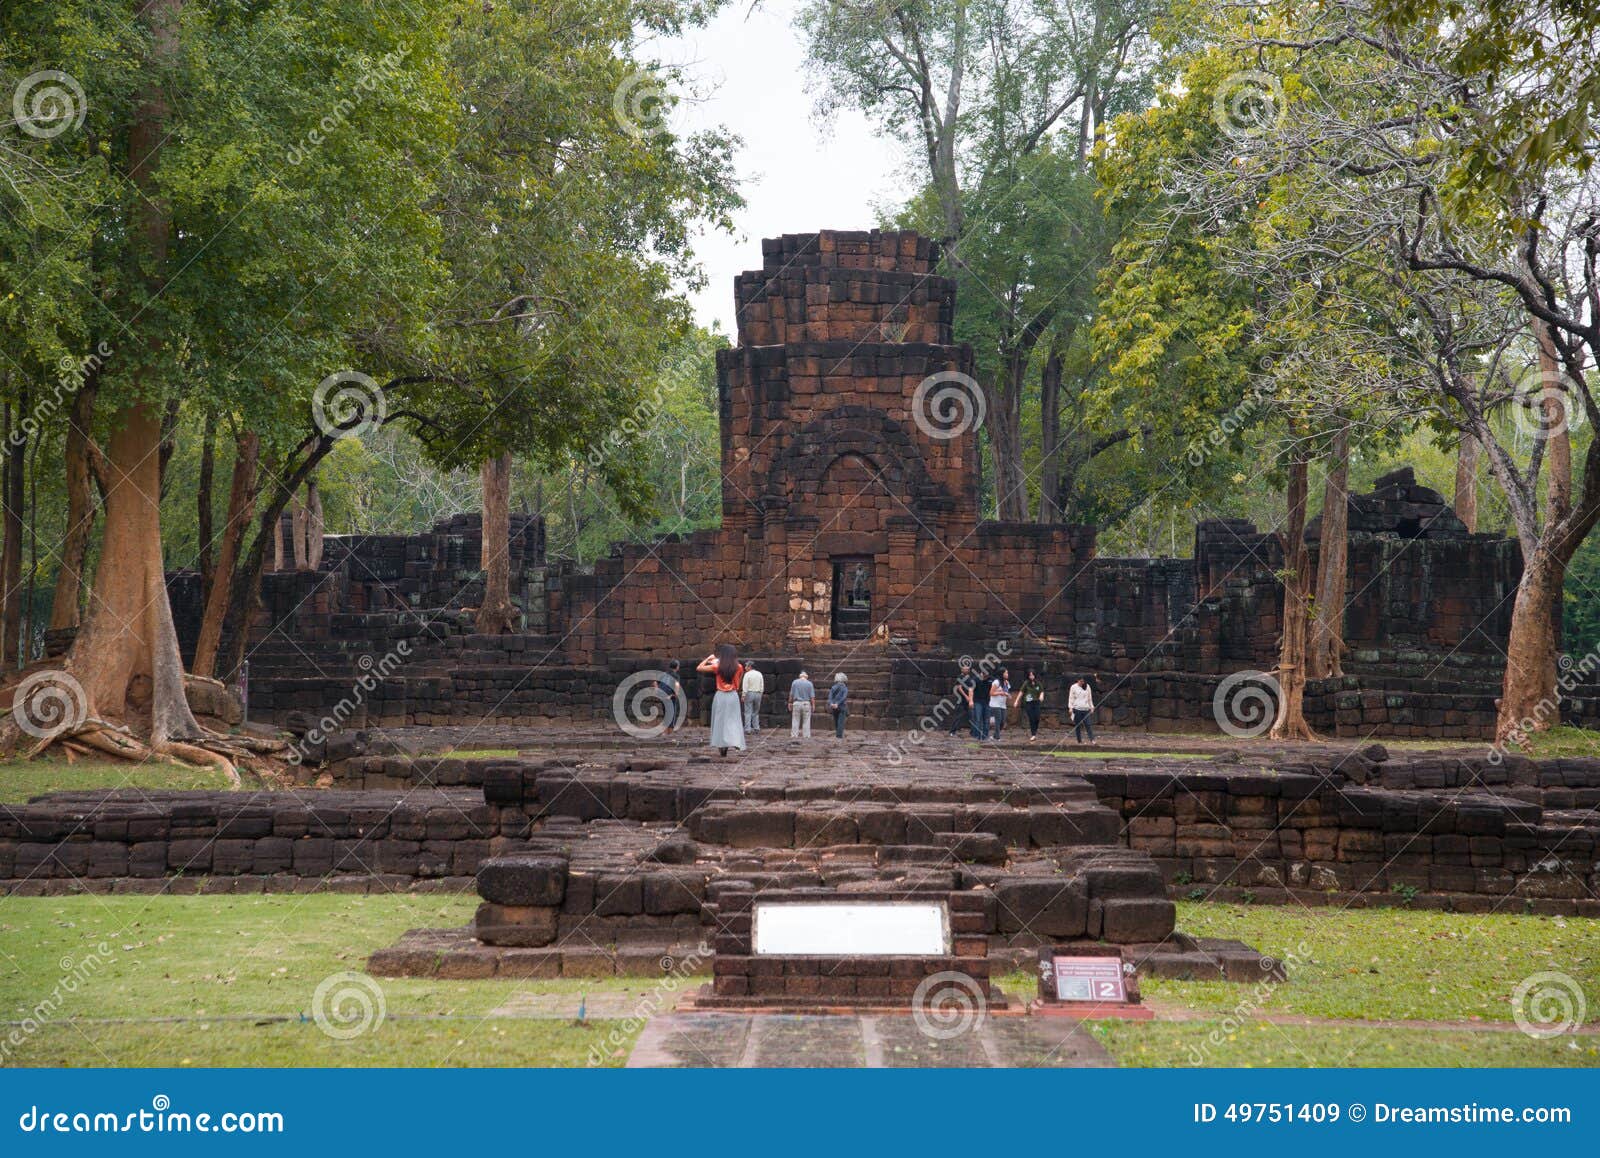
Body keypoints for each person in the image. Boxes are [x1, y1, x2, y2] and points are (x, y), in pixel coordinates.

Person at [696, 644, 746, 756]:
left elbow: (699, 667)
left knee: (719, 721)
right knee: (734, 720)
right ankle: (734, 741)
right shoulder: (739, 667)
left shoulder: (717, 667)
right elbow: (738, 683)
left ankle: (721, 745)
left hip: (720, 696)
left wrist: (709, 658)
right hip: (733, 696)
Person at [948, 657, 977, 736]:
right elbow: (959, 688)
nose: (966, 670)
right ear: (961, 670)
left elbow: (971, 689)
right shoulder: (960, 677)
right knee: (958, 717)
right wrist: (966, 696)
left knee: (972, 716)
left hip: (968, 701)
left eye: (967, 669)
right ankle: (952, 731)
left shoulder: (970, 679)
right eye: (964, 669)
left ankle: (973, 732)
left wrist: (971, 700)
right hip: (961, 700)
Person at [1014, 668, 1045, 742]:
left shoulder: (1038, 683)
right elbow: (1021, 692)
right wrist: (1016, 701)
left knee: (1037, 718)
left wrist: (1041, 696)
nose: (1031, 676)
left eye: (1032, 675)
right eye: (1030, 675)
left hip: (1036, 702)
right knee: (1031, 718)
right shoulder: (1026, 683)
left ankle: (1035, 732)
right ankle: (1033, 734)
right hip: (1028, 703)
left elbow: (1042, 691)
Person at [658, 660, 683, 734]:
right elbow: (677, 685)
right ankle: (669, 734)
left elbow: (655, 683)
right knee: (672, 715)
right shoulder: (675, 675)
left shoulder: (663, 674)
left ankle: (664, 733)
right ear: (677, 667)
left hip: (663, 696)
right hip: (670, 697)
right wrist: (675, 694)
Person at [986, 667, 1011, 741]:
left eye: (1007, 673)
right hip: (995, 704)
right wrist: (1000, 693)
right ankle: (997, 737)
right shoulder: (996, 682)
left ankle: (994, 736)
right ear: (1002, 674)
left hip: (1003, 704)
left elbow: (1007, 692)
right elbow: (991, 693)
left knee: (1002, 721)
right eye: (1006, 673)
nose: (1007, 674)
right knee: (998, 720)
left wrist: (1008, 695)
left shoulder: (1006, 682)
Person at [1069, 677, 1096, 744]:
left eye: (1083, 682)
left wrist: (1091, 706)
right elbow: (1071, 698)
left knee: (1088, 724)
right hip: (1077, 709)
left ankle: (1092, 739)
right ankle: (1079, 741)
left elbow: (1089, 698)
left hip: (1086, 709)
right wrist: (1070, 707)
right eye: (1080, 681)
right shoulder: (1073, 687)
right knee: (1078, 725)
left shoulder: (1087, 686)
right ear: (1078, 680)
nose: (1081, 683)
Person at [789, 670, 815, 738]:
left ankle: (794, 735)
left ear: (800, 676)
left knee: (795, 720)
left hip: (796, 703)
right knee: (806, 721)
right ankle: (806, 736)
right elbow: (812, 696)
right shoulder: (809, 683)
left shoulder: (794, 682)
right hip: (806, 703)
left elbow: (791, 694)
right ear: (806, 677)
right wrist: (813, 705)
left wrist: (789, 703)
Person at [742, 662, 764, 732]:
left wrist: (743, 695)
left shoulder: (747, 674)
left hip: (749, 693)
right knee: (756, 711)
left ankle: (747, 729)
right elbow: (762, 685)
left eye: (746, 666)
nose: (745, 668)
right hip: (758, 693)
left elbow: (745, 686)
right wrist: (761, 693)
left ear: (750, 667)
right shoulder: (759, 674)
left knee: (748, 711)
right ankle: (756, 728)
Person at [828, 672, 849, 738]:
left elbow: (830, 697)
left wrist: (831, 703)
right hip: (841, 706)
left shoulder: (833, 687)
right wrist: (838, 703)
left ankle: (837, 733)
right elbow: (844, 697)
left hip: (834, 706)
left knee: (836, 721)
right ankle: (839, 736)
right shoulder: (844, 688)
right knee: (841, 722)